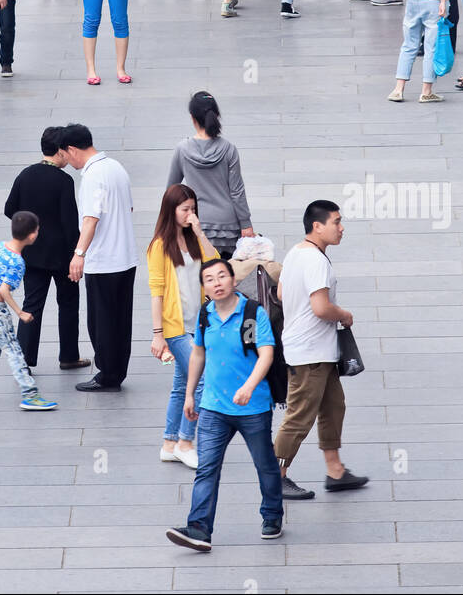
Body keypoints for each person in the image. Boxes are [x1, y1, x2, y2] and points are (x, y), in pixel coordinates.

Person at [165, 255, 283, 549]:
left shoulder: (252, 314)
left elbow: (266, 353)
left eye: (221, 276)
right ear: (204, 288)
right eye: (209, 279)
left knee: (265, 464)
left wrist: (249, 386)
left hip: (252, 407)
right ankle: (199, 528)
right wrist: (190, 394)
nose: (217, 283)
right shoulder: (206, 315)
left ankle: (272, 515)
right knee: (207, 468)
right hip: (213, 408)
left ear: (233, 280)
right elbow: (198, 354)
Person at [273, 201, 369, 498]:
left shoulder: (297, 253)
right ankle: (274, 477)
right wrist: (343, 314)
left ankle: (335, 470)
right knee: (299, 417)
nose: (341, 228)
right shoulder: (314, 260)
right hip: (310, 353)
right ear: (317, 226)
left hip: (317, 352)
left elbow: (280, 292)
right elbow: (320, 307)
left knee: (333, 407)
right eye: (336, 222)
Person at [4, 128, 88, 371]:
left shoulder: (26, 174)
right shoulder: (64, 181)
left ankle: (24, 358)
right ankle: (69, 356)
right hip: (62, 255)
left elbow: (10, 208)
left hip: (32, 253)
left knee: (32, 304)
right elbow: (70, 223)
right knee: (69, 303)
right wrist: (78, 253)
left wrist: (30, 224)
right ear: (61, 151)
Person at [61, 123, 136, 391]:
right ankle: (117, 371)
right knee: (120, 320)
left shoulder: (93, 175)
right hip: (126, 257)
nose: (67, 162)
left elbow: (91, 218)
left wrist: (78, 254)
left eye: (66, 155)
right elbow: (127, 207)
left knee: (101, 321)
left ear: (72, 149)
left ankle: (106, 373)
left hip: (104, 260)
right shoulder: (116, 167)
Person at [148, 184, 217, 469]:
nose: (190, 214)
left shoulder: (193, 240)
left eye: (193, 209)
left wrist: (199, 232)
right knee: (200, 379)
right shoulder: (160, 246)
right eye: (185, 209)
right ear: (171, 210)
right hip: (175, 328)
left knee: (181, 386)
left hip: (197, 324)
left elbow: (215, 265)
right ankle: (186, 442)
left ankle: (169, 442)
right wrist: (158, 335)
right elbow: (157, 291)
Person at [0, 211, 58, 410]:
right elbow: (4, 290)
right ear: (33, 235)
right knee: (14, 351)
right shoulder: (18, 262)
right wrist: (20, 313)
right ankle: (30, 395)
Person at [166, 91, 251, 256]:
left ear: (192, 118)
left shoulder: (183, 150)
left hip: (196, 223)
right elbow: (237, 191)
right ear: (216, 115)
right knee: (223, 277)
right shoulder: (228, 149)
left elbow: (171, 191)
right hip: (228, 228)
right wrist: (246, 223)